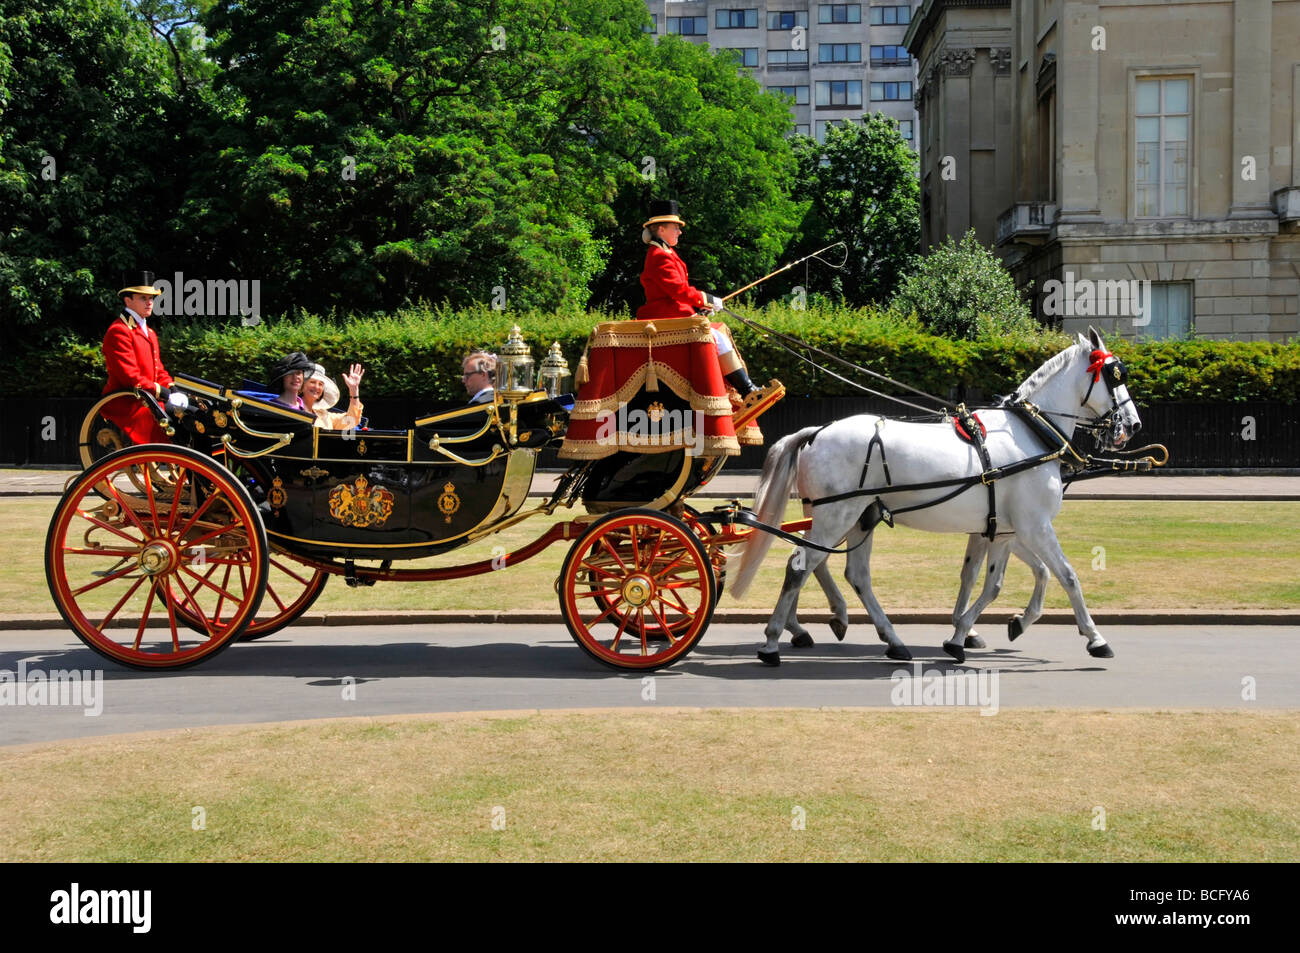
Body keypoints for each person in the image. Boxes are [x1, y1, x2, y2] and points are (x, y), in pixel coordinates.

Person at [637, 199, 762, 397]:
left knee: (719, 333)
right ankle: (746, 391)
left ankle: (744, 390)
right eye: (675, 227)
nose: (680, 231)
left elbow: (676, 293)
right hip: (667, 318)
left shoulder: (665, 252)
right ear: (661, 230)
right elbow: (678, 291)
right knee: (718, 338)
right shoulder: (660, 255)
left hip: (674, 313)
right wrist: (707, 298)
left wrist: (700, 307)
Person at [101, 270, 187, 445]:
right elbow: (129, 376)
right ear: (128, 300)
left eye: (151, 298)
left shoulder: (149, 332)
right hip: (128, 402)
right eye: (143, 298)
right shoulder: (119, 331)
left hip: (147, 397)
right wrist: (162, 392)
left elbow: (159, 369)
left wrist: (171, 387)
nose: (149, 303)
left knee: (191, 413)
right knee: (180, 420)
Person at [302, 362, 364, 429]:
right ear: (302, 385)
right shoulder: (294, 408)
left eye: (320, 384)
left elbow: (351, 420)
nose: (317, 387)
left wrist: (353, 390)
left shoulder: (324, 415)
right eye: (312, 382)